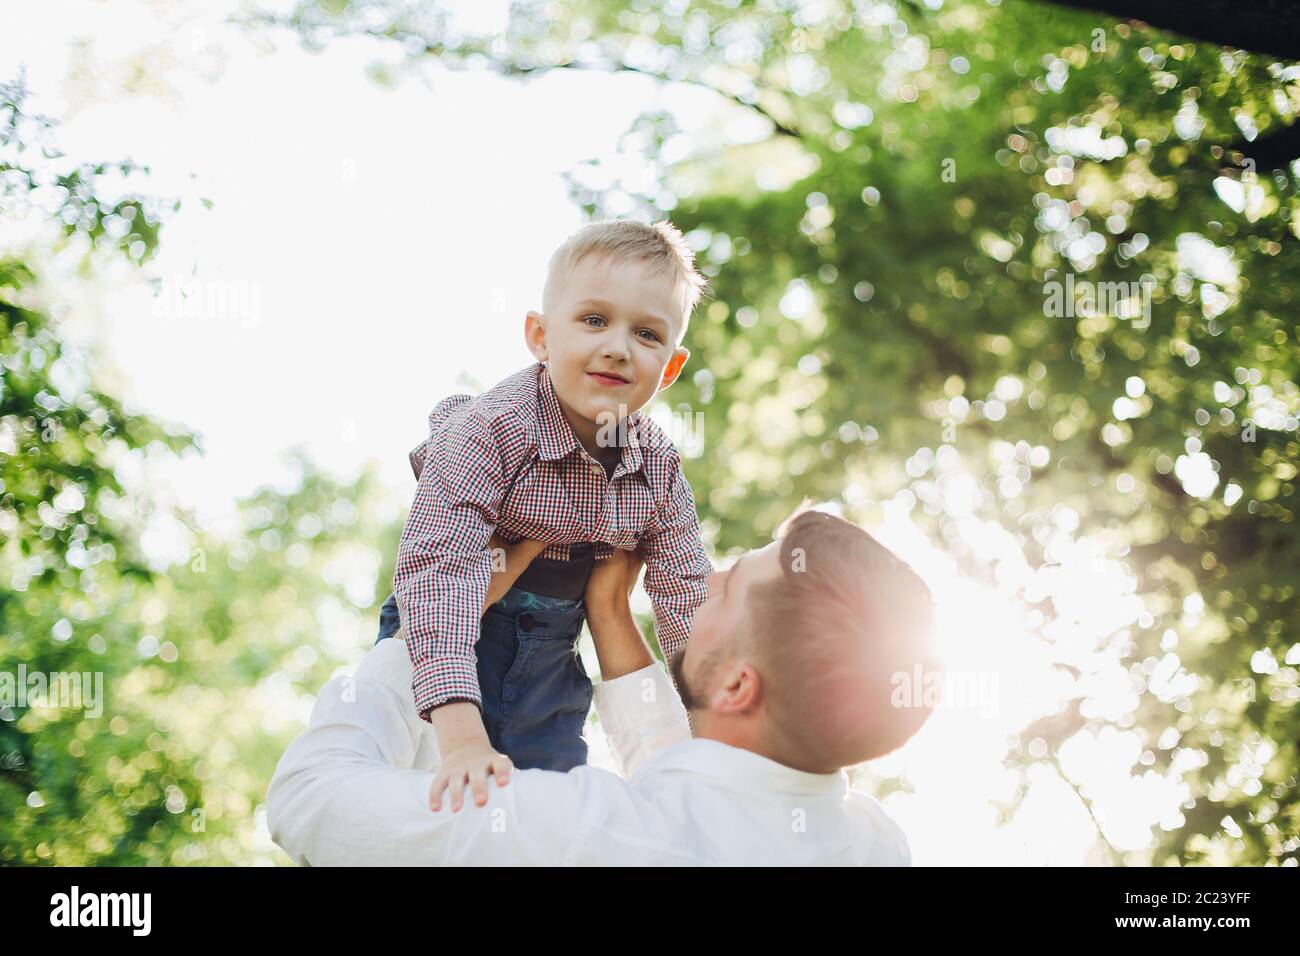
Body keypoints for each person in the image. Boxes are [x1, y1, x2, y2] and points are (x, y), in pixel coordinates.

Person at [267, 509, 939, 865]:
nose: (701, 579)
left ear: (738, 684)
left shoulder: (576, 837)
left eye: (730, 583)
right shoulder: (874, 845)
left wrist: (435, 625)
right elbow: (708, 808)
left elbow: (310, 799)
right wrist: (611, 616)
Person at [382, 219, 714, 790]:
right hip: (458, 619)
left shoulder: (657, 465)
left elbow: (688, 595)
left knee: (551, 795)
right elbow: (440, 570)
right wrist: (462, 737)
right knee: (433, 781)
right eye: (593, 320)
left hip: (555, 648)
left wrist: (723, 734)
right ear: (540, 335)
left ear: (671, 367)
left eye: (647, 335)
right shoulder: (491, 428)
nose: (616, 347)